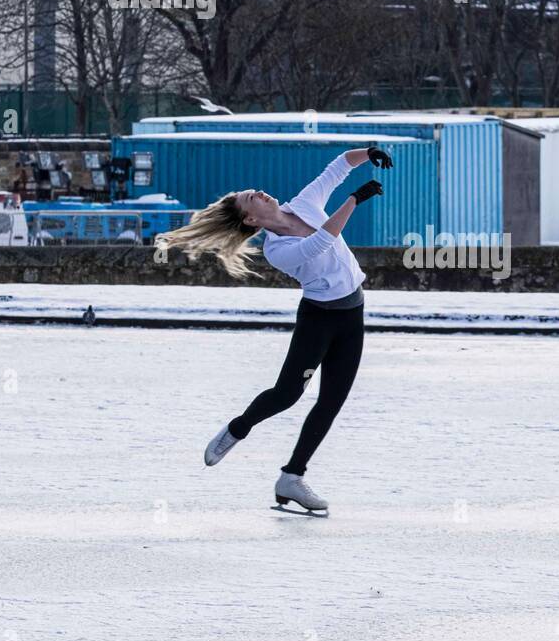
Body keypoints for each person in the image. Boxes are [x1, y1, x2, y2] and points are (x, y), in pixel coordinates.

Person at [156, 146, 393, 512]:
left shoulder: (304, 202)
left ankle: (292, 477)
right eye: (253, 198)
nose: (262, 192)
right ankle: (238, 428)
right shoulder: (276, 250)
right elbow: (319, 244)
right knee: (287, 394)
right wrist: (354, 201)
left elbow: (338, 166)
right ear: (251, 220)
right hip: (319, 319)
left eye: (255, 189)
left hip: (353, 314)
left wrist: (369, 153)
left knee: (332, 402)